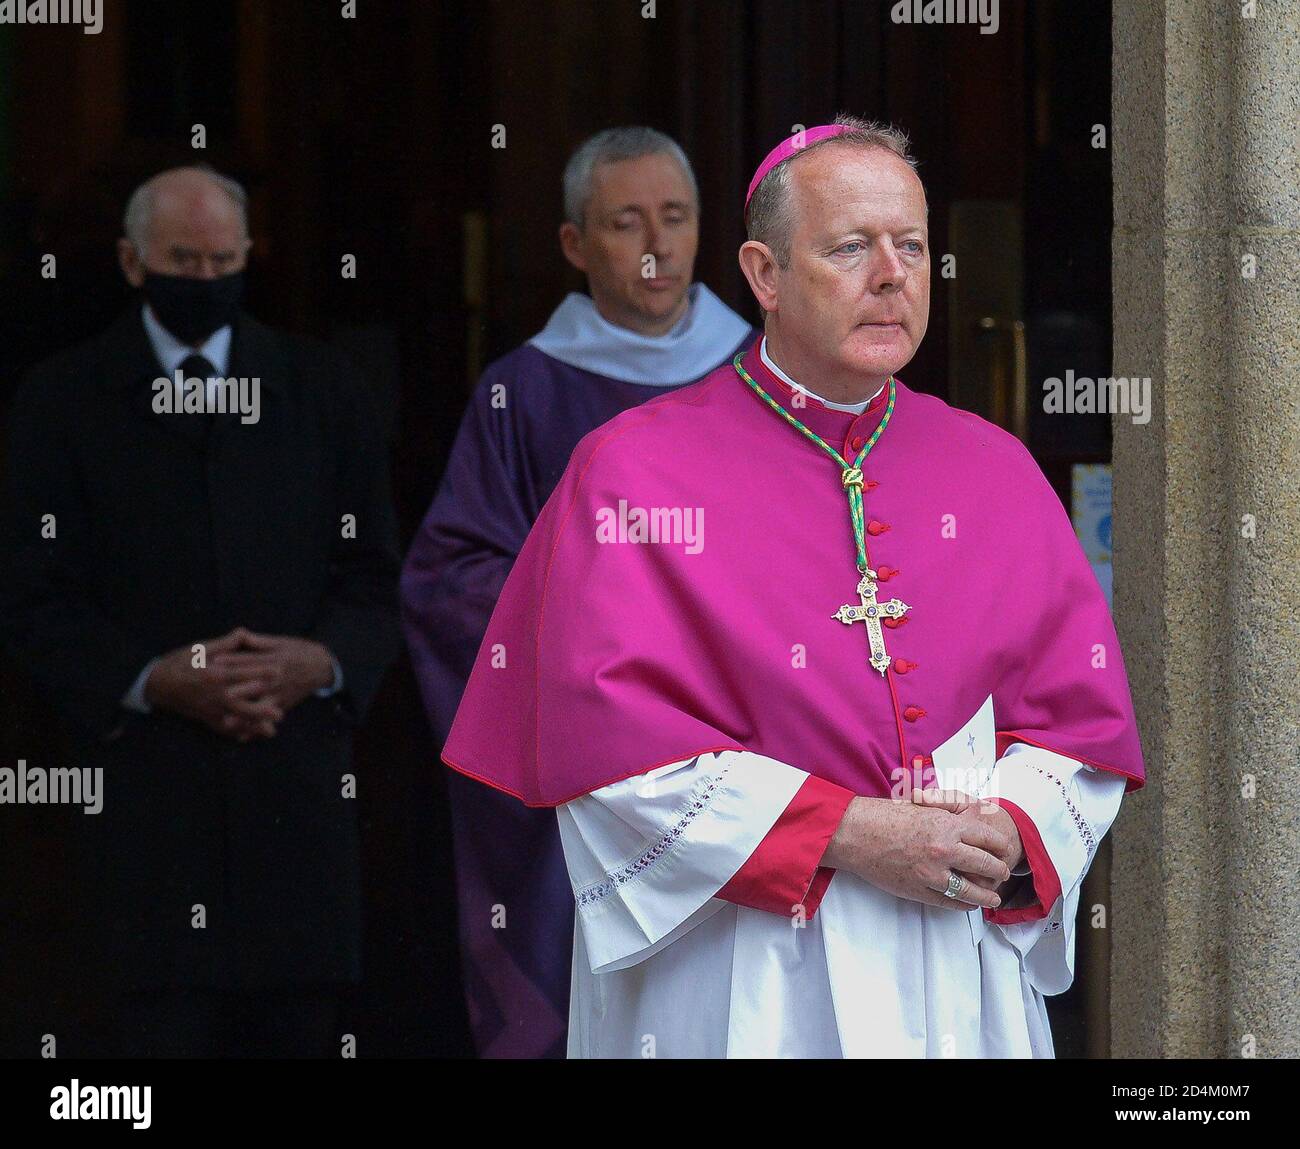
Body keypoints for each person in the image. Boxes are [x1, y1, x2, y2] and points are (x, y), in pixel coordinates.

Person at [441, 117, 1146, 1058]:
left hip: (953, 961)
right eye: (851, 247)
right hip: (735, 973)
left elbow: (1080, 725)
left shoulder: (997, 468)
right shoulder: (632, 475)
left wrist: (1008, 826)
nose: (892, 274)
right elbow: (607, 758)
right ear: (765, 275)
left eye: (912, 246)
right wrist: (852, 832)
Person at [0, 166, 402, 1057]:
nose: (207, 277)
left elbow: (377, 579)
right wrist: (152, 679)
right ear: (132, 263)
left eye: (225, 258)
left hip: (293, 828)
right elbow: (32, 599)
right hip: (141, 839)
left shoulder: (322, 390)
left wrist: (317, 662)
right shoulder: (60, 402)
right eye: (185, 260)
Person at [401, 126, 755, 1058]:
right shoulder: (521, 392)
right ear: (573, 244)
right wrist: (604, 635)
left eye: (675, 218)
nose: (656, 245)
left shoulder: (765, 376)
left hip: (748, 743)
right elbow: (451, 579)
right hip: (585, 758)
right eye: (624, 221)